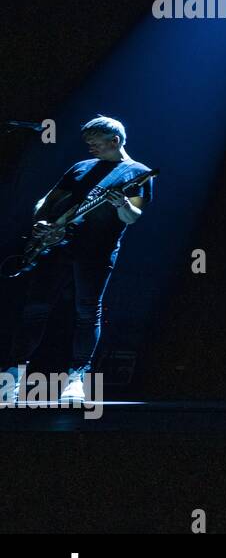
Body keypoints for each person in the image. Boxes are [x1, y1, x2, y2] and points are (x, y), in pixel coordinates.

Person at [2, 116, 155, 403]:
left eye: (95, 143)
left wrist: (121, 204)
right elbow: (47, 200)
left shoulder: (137, 173)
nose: (90, 149)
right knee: (35, 308)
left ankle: (77, 377)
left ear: (115, 141)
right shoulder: (80, 168)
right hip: (57, 247)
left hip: (96, 251)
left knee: (86, 312)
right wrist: (42, 221)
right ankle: (12, 375)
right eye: (88, 143)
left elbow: (132, 217)